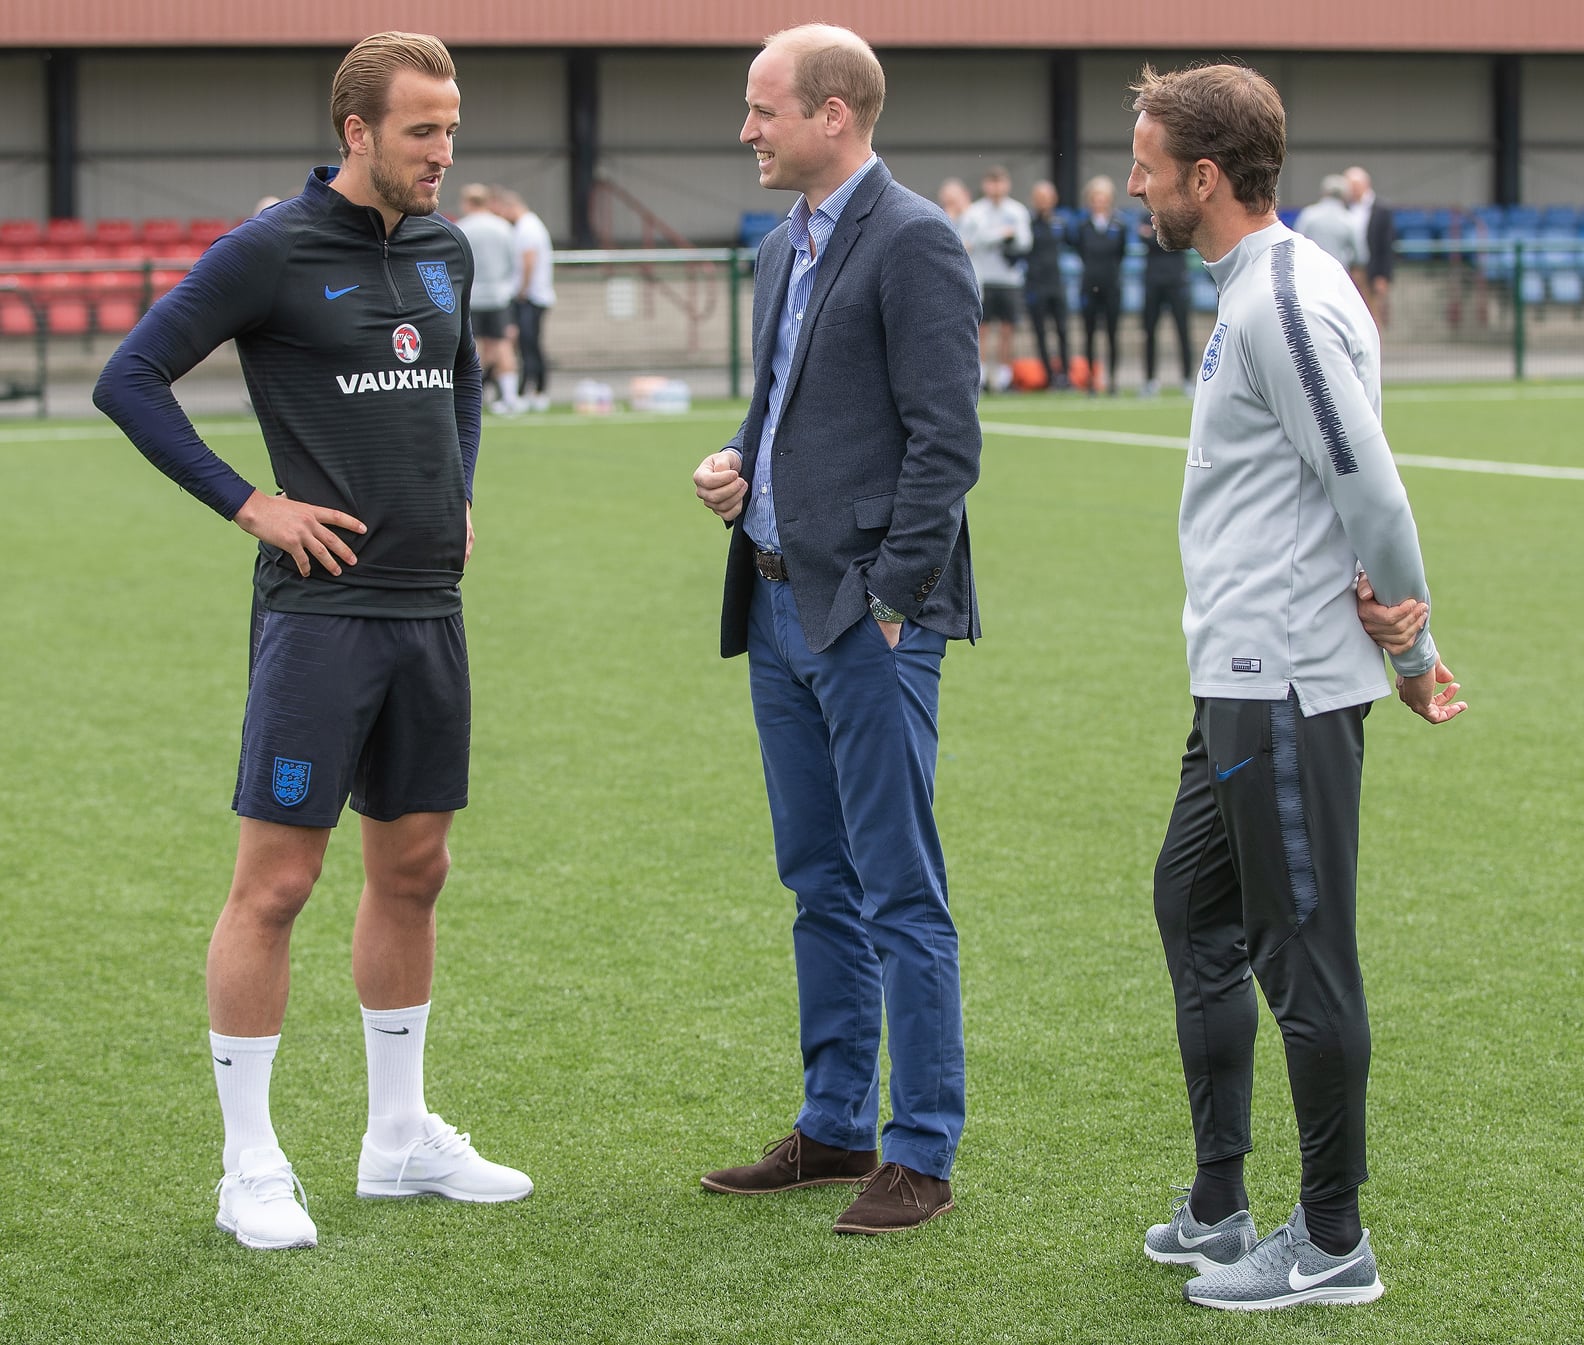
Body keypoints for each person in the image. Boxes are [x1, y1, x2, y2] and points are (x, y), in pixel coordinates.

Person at [93, 30, 532, 1253]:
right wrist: (252, 503)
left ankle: (397, 1144)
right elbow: (130, 377)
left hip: (428, 613)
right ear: (356, 135)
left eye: (451, 128)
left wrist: (460, 489)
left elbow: (458, 385)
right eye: (421, 131)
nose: (444, 152)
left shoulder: (445, 250)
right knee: (277, 883)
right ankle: (250, 1164)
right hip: (321, 619)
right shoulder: (271, 251)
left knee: (416, 871)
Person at [1126, 61, 1465, 1311]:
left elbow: (1370, 485)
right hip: (1238, 678)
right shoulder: (1255, 284)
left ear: (1205, 177)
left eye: (1149, 165)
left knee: (1304, 958)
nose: (1136, 184)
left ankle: (1332, 1241)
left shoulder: (1278, 297)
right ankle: (1222, 1204)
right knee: (1191, 907)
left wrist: (1416, 653)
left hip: (1284, 684)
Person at [691, 22, 981, 1236]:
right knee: (817, 879)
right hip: (773, 597)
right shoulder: (782, 248)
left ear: (834, 115)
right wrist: (738, 470)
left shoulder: (915, 239)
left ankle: (922, 1148)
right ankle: (833, 1124)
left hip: (865, 617)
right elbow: (791, 410)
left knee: (896, 885)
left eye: (763, 109)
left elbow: (946, 442)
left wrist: (891, 599)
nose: (746, 130)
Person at [959, 166, 1032, 391]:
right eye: (992, 182)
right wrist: (1001, 234)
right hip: (983, 278)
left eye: (1000, 182)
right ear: (985, 185)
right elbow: (968, 242)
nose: (996, 188)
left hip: (1009, 279)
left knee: (1008, 330)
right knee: (983, 329)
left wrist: (1006, 237)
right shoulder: (975, 212)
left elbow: (1025, 242)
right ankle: (979, 377)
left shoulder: (1017, 211)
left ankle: (1003, 377)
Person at [455, 181, 522, 413]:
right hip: (498, 296)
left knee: (470, 349)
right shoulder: (503, 227)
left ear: (468, 203)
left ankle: (473, 396)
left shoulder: (462, 228)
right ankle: (510, 398)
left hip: (471, 297)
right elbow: (514, 262)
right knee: (502, 346)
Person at [491, 186, 556, 412]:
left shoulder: (528, 228)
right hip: (532, 295)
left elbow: (529, 261)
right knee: (528, 344)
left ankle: (535, 390)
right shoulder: (526, 226)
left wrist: (522, 291)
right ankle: (529, 389)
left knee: (530, 344)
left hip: (532, 297)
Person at [1066, 175, 1127, 393]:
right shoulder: (1083, 227)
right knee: (1089, 333)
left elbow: (1121, 253)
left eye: (1104, 197)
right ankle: (1091, 380)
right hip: (1089, 285)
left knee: (1112, 333)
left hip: (1112, 286)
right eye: (1096, 197)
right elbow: (1080, 251)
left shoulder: (1118, 225)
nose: (1100, 201)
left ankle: (1112, 380)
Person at [1023, 180, 1071, 389]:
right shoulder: (1028, 223)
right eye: (1040, 197)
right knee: (1040, 332)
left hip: (1056, 283)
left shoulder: (1060, 222)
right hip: (1036, 285)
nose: (1044, 201)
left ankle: (1065, 375)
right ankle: (1049, 376)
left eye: (1047, 197)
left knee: (1062, 330)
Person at [1138, 221, 1194, 396]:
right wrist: (1166, 236)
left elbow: (1181, 241)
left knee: (1183, 332)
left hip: (1176, 281)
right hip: (1153, 282)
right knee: (1149, 333)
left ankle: (1187, 379)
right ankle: (1150, 380)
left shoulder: (1176, 212)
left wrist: (1158, 237)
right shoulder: (1146, 216)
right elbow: (1145, 239)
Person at [1345, 165, 1395, 329]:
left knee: (1372, 316)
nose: (1352, 190)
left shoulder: (1382, 209)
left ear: (1365, 185)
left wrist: (1383, 275)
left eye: (1355, 186)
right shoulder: (1345, 207)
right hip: (1350, 268)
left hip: (1371, 270)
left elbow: (1386, 245)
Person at [1294, 174, 1361, 272]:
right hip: (1338, 273)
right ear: (1345, 195)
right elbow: (1359, 255)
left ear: (1324, 193)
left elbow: (1296, 244)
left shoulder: (1308, 215)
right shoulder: (1349, 219)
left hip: (1310, 271)